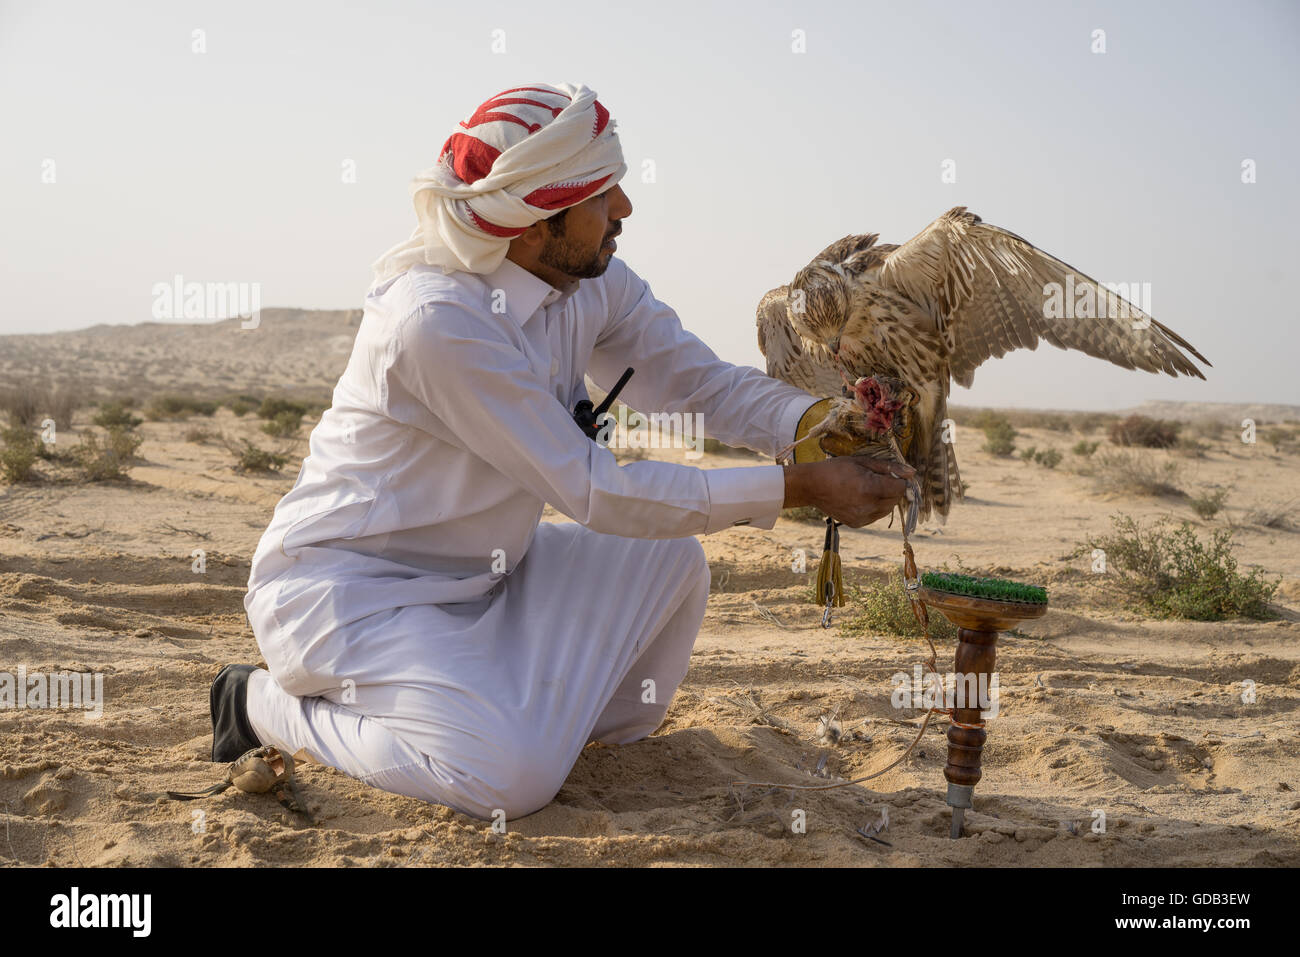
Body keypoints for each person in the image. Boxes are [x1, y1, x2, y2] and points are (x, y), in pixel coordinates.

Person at [211, 82, 912, 821]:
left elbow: (693, 379)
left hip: (490, 576)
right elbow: (594, 490)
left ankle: (536, 735)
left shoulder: (585, 284)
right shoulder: (436, 322)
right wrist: (799, 488)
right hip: (354, 597)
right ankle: (259, 703)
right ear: (536, 216)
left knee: (670, 560)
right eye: (603, 191)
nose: (625, 210)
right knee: (503, 779)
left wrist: (815, 421)